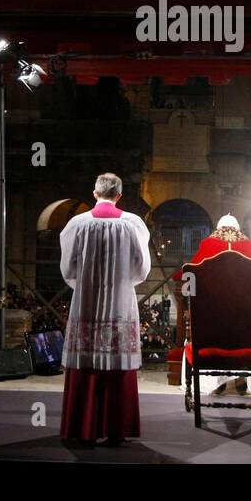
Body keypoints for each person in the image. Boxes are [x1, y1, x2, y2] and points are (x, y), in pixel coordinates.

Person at [59, 173, 152, 446]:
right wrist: (122, 284)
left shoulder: (77, 224)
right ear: (119, 196)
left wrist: (85, 283)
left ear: (94, 193)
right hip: (120, 302)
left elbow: (67, 268)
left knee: (85, 361)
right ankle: (116, 429)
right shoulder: (133, 224)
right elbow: (142, 269)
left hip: (86, 299)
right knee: (117, 362)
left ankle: (83, 427)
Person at [174, 213, 251, 395]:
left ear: (219, 227)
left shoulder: (208, 244)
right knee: (242, 324)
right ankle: (241, 379)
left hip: (212, 318)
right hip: (245, 319)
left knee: (207, 321)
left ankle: (218, 381)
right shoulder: (249, 245)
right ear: (237, 228)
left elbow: (191, 272)